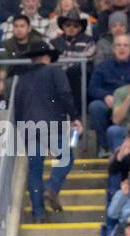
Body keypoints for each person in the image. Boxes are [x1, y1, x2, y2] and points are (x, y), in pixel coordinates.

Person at [12, 40, 82, 221]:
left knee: (35, 171)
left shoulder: (22, 79)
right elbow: (65, 94)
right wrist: (74, 117)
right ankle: (52, 187)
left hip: (29, 129)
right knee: (65, 158)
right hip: (51, 125)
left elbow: (17, 109)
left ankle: (38, 214)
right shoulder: (54, 71)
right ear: (47, 57)